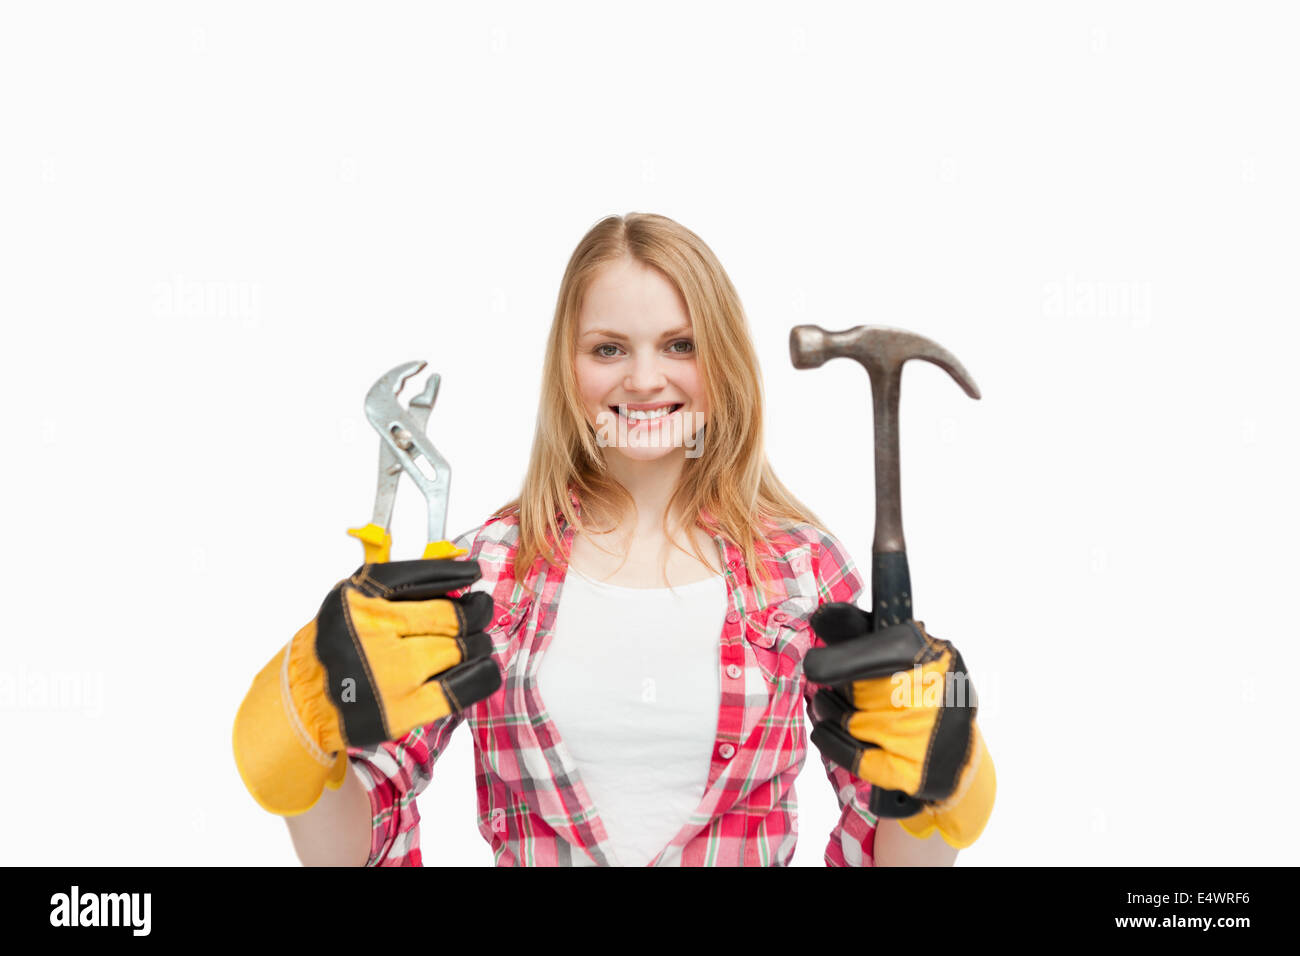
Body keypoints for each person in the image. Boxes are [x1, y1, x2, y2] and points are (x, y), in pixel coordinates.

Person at [234, 212, 996, 866]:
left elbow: (886, 848)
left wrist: (942, 781)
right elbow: (355, 845)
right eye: (608, 349)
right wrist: (304, 732)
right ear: (568, 367)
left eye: (679, 345)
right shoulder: (489, 570)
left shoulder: (802, 570)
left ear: (724, 362)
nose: (642, 379)